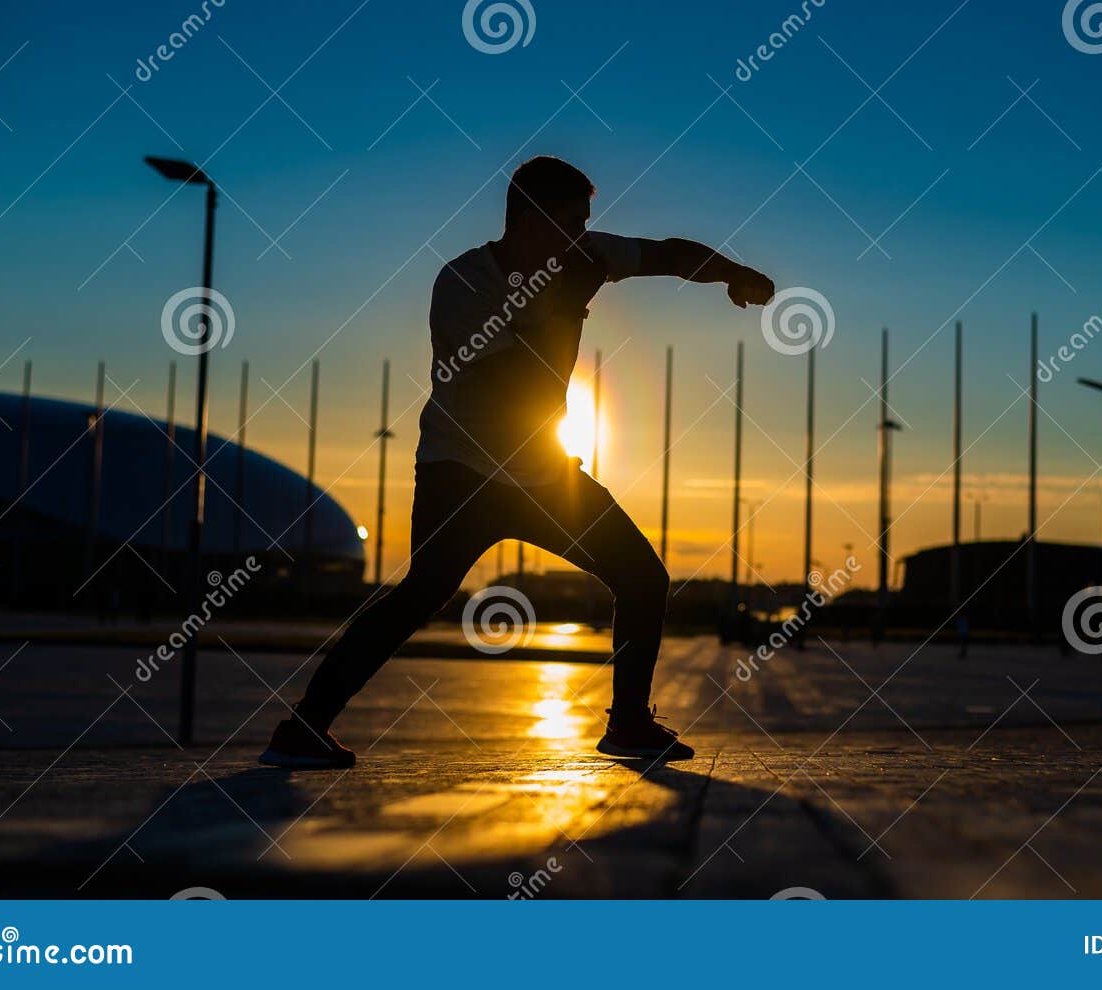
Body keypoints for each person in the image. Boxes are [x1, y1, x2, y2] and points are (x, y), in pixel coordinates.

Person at [260, 156, 775, 769]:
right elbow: (506, 385)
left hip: (542, 475)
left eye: (585, 224)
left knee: (643, 579)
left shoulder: (584, 257)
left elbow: (667, 252)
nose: (581, 236)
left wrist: (732, 273)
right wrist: (561, 308)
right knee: (422, 595)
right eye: (569, 223)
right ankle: (303, 729)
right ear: (528, 220)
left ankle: (629, 725)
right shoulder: (464, 282)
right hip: (462, 472)